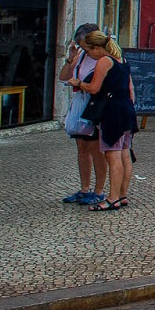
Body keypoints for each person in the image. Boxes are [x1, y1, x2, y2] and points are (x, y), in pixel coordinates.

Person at [78, 31, 134, 211]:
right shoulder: (122, 60)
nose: (89, 55)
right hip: (126, 109)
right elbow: (131, 89)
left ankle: (113, 198)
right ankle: (122, 194)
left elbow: (94, 88)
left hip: (112, 111)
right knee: (125, 153)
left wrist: (78, 83)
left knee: (113, 155)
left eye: (88, 51)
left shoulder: (105, 61)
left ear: (96, 48)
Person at [61, 23, 108, 206]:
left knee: (97, 149)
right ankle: (84, 188)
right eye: (80, 45)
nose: (83, 48)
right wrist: (70, 59)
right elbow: (63, 77)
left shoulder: (103, 58)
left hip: (96, 106)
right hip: (81, 105)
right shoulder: (80, 57)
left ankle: (99, 190)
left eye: (84, 45)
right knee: (82, 148)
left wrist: (81, 83)